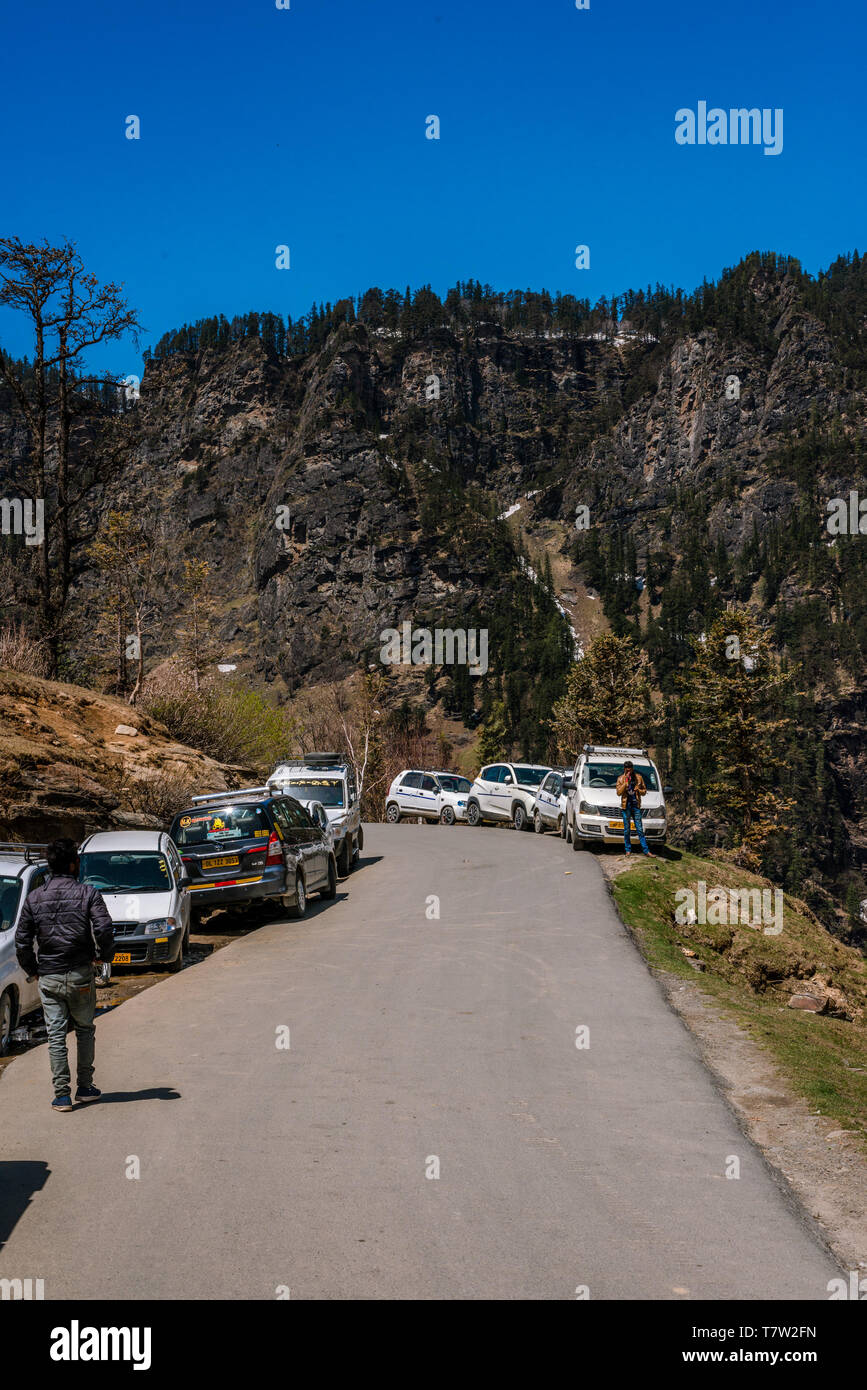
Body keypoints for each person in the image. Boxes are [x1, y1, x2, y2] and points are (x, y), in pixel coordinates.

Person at [15, 837, 115, 1113]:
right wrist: (103, 955)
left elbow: (22, 942)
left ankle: (61, 1096)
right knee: (84, 1030)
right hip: (81, 973)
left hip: (49, 976)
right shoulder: (89, 893)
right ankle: (85, 1087)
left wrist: (33, 970)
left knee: (56, 1035)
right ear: (74, 864)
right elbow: (105, 929)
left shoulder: (34, 898)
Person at [615, 760, 650, 856]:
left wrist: (638, 789)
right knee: (627, 830)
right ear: (624, 769)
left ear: (632, 769)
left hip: (636, 806)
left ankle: (646, 851)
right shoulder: (620, 779)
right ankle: (628, 850)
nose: (628, 772)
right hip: (626, 806)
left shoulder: (639, 777)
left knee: (639, 829)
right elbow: (618, 793)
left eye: (630, 770)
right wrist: (625, 783)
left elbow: (644, 791)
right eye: (627, 771)